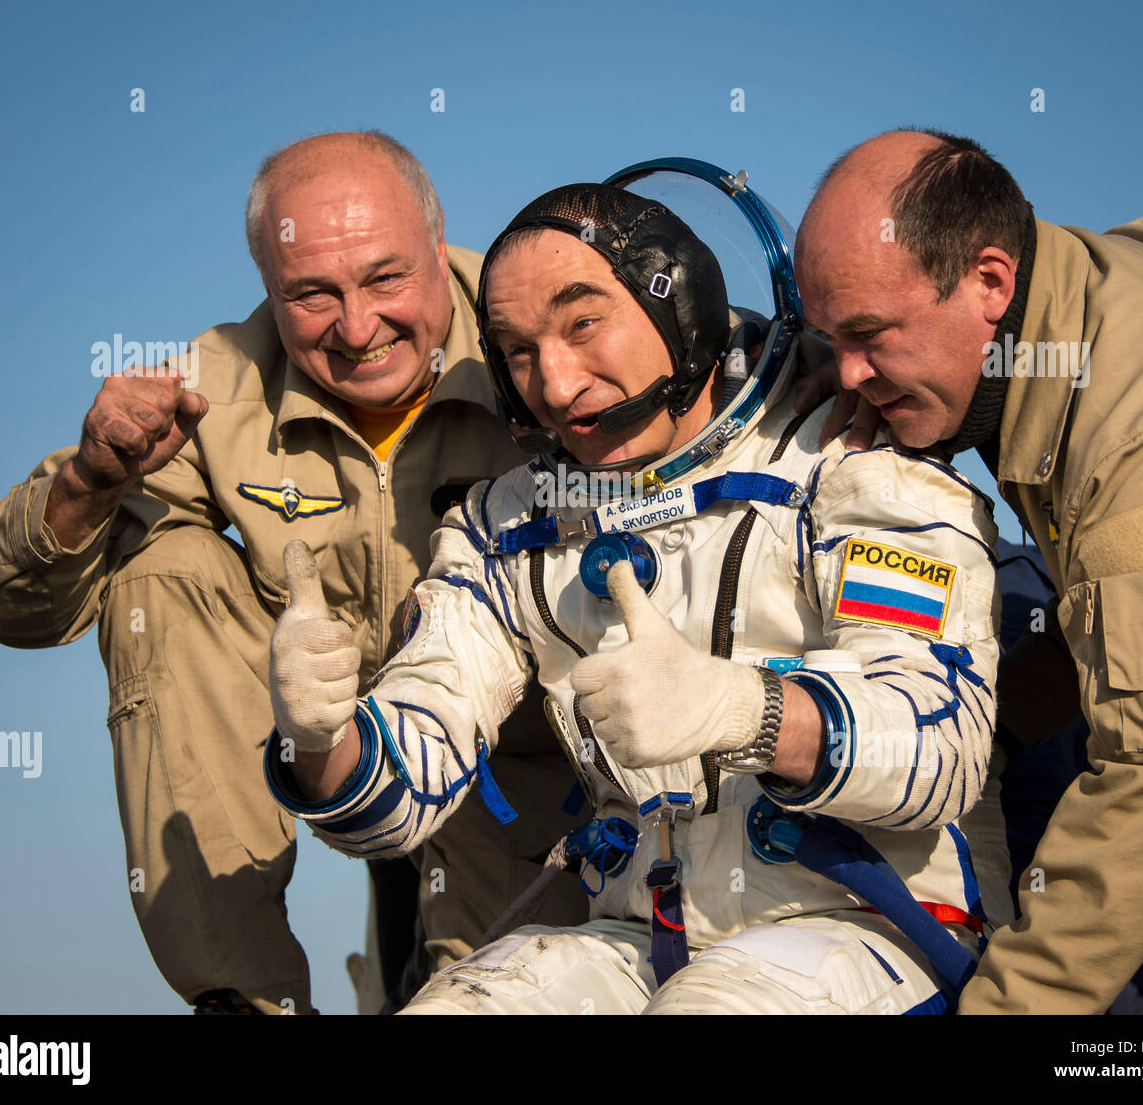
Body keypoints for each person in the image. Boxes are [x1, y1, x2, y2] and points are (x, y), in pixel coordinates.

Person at [265, 177, 1014, 1014]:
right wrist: (317, 740)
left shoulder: (852, 464)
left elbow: (937, 750)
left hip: (865, 929)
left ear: (682, 306)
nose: (555, 382)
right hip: (639, 941)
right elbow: (401, 790)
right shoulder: (508, 527)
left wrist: (745, 711)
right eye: (518, 351)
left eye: (583, 324)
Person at [0, 131, 585, 1015]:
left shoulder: (547, 327)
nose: (359, 329)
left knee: (485, 995)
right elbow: (2, 604)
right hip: (305, 740)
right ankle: (244, 998)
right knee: (161, 569)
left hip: (508, 761)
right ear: (266, 288)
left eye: (385, 279)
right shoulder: (212, 385)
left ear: (438, 234)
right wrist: (89, 481)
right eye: (312, 294)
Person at [792, 127, 1143, 1014]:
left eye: (870, 334)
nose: (847, 373)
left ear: (991, 281)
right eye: (828, 338)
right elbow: (1107, 641)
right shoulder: (1047, 323)